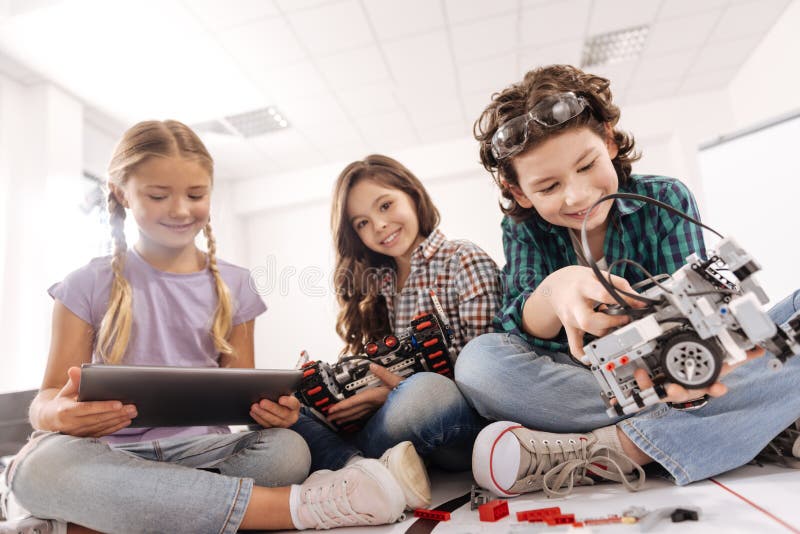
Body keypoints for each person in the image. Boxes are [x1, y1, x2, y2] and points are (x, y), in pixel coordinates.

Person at [0, 121, 410, 533]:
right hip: (109, 455)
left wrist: (272, 413)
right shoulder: (84, 284)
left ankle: (84, 524)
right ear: (122, 193)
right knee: (37, 467)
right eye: (158, 196)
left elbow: (242, 394)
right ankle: (295, 508)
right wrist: (61, 414)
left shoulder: (235, 286)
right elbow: (44, 403)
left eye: (196, 195)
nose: (180, 210)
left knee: (287, 451)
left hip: (204, 451)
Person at [454, 64, 800, 497]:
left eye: (586, 166)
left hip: (685, 364)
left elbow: (703, 315)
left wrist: (688, 365)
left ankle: (620, 449)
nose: (576, 196)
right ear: (519, 191)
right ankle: (764, 419)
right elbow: (521, 328)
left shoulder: (667, 198)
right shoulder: (524, 228)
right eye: (547, 187)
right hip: (596, 382)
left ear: (610, 140)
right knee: (479, 366)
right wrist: (555, 290)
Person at [291, 154, 502, 508]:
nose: (379, 225)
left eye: (386, 205)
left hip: (460, 425)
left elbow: (485, 379)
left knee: (425, 391)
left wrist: (390, 395)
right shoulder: (378, 286)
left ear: (413, 195)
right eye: (362, 222)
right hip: (404, 427)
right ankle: (362, 466)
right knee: (291, 408)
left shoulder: (463, 259)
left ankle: (347, 463)